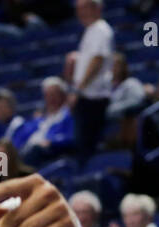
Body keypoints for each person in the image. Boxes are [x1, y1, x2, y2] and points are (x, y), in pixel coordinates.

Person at [68, 0, 113, 160]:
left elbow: (97, 60)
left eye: (84, 8)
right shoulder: (90, 30)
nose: (80, 13)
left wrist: (78, 89)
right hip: (87, 96)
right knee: (82, 145)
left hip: (93, 97)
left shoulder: (101, 29)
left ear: (97, 8)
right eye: (78, 9)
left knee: (87, 146)